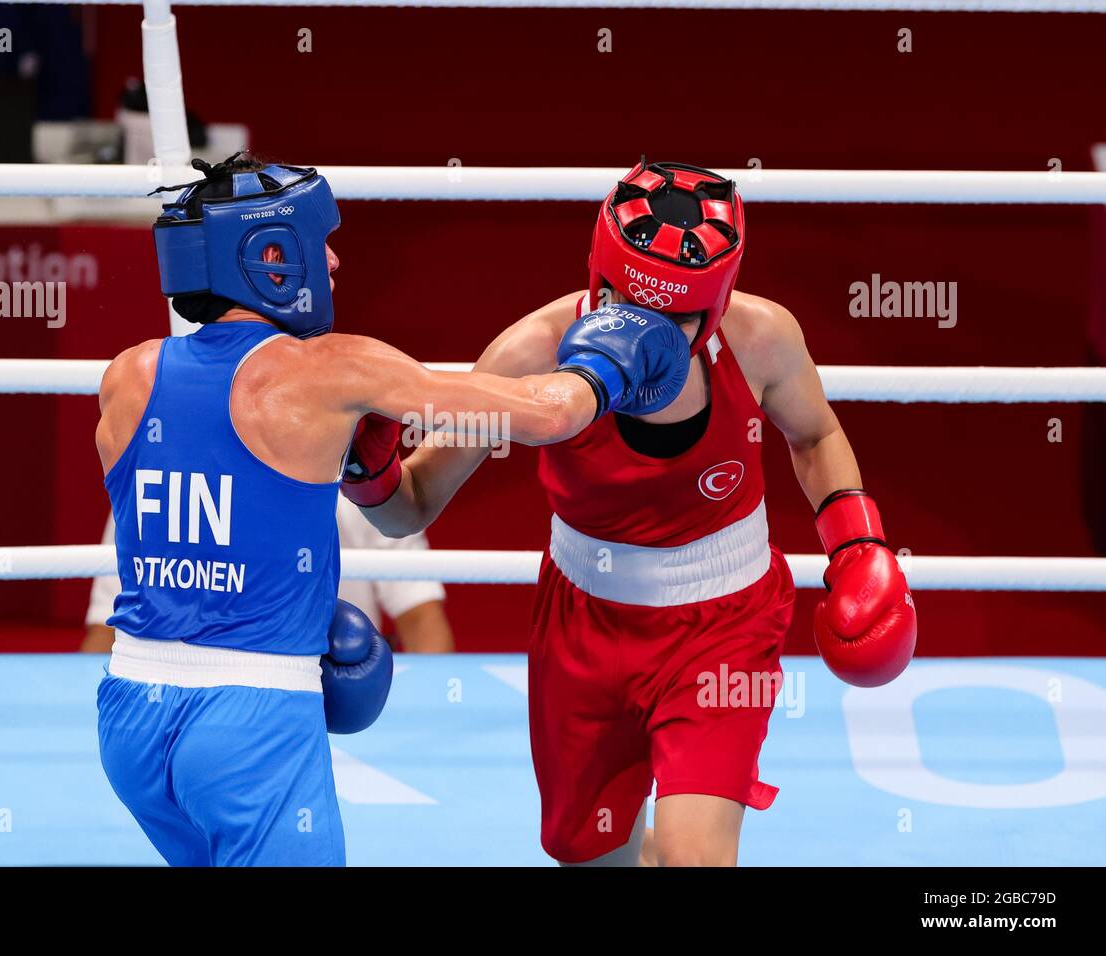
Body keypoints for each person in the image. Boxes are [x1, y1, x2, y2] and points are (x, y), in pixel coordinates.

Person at [93, 151, 693, 866]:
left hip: (130, 713)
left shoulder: (128, 377)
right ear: (270, 255)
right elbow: (543, 414)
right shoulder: (334, 370)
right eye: (319, 244)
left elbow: (219, 505)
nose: (336, 263)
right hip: (248, 716)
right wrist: (610, 362)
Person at [360, 160, 918, 866]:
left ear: (716, 302)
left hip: (725, 623)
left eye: (676, 317)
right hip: (584, 629)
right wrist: (367, 472)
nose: (645, 337)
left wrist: (857, 542)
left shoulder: (761, 339)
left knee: (696, 857)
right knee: (593, 855)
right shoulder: (529, 356)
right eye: (628, 305)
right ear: (599, 277)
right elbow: (409, 509)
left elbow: (815, 434)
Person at [82, 498, 454, 653]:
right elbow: (107, 630)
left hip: (334, 699)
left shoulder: (354, 482)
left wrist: (430, 718)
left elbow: (421, 618)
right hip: (191, 697)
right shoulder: (160, 490)